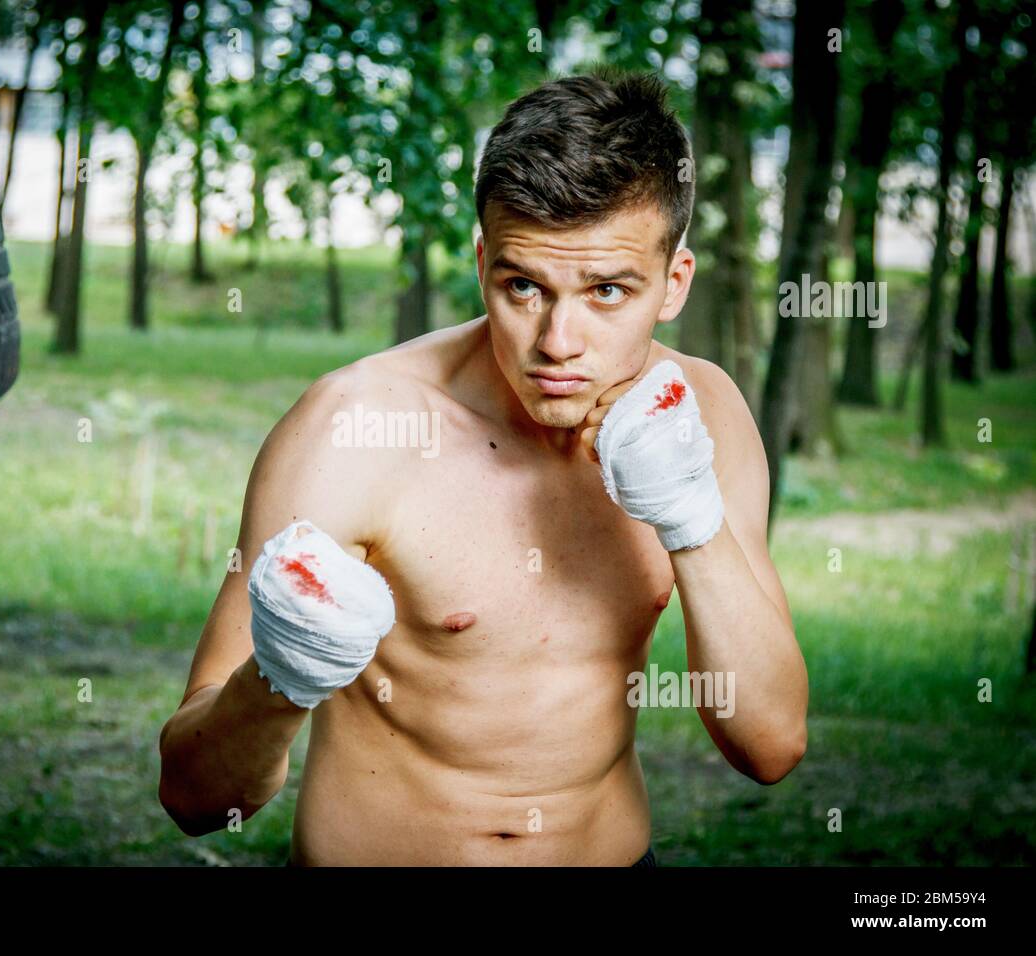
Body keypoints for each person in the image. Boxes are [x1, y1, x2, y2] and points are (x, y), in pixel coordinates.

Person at [157, 67, 808, 866]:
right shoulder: (355, 429)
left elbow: (770, 744)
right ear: (481, 262)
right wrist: (282, 674)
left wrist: (690, 518)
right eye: (523, 286)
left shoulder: (702, 416)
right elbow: (194, 799)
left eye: (607, 290)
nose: (558, 342)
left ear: (674, 283)